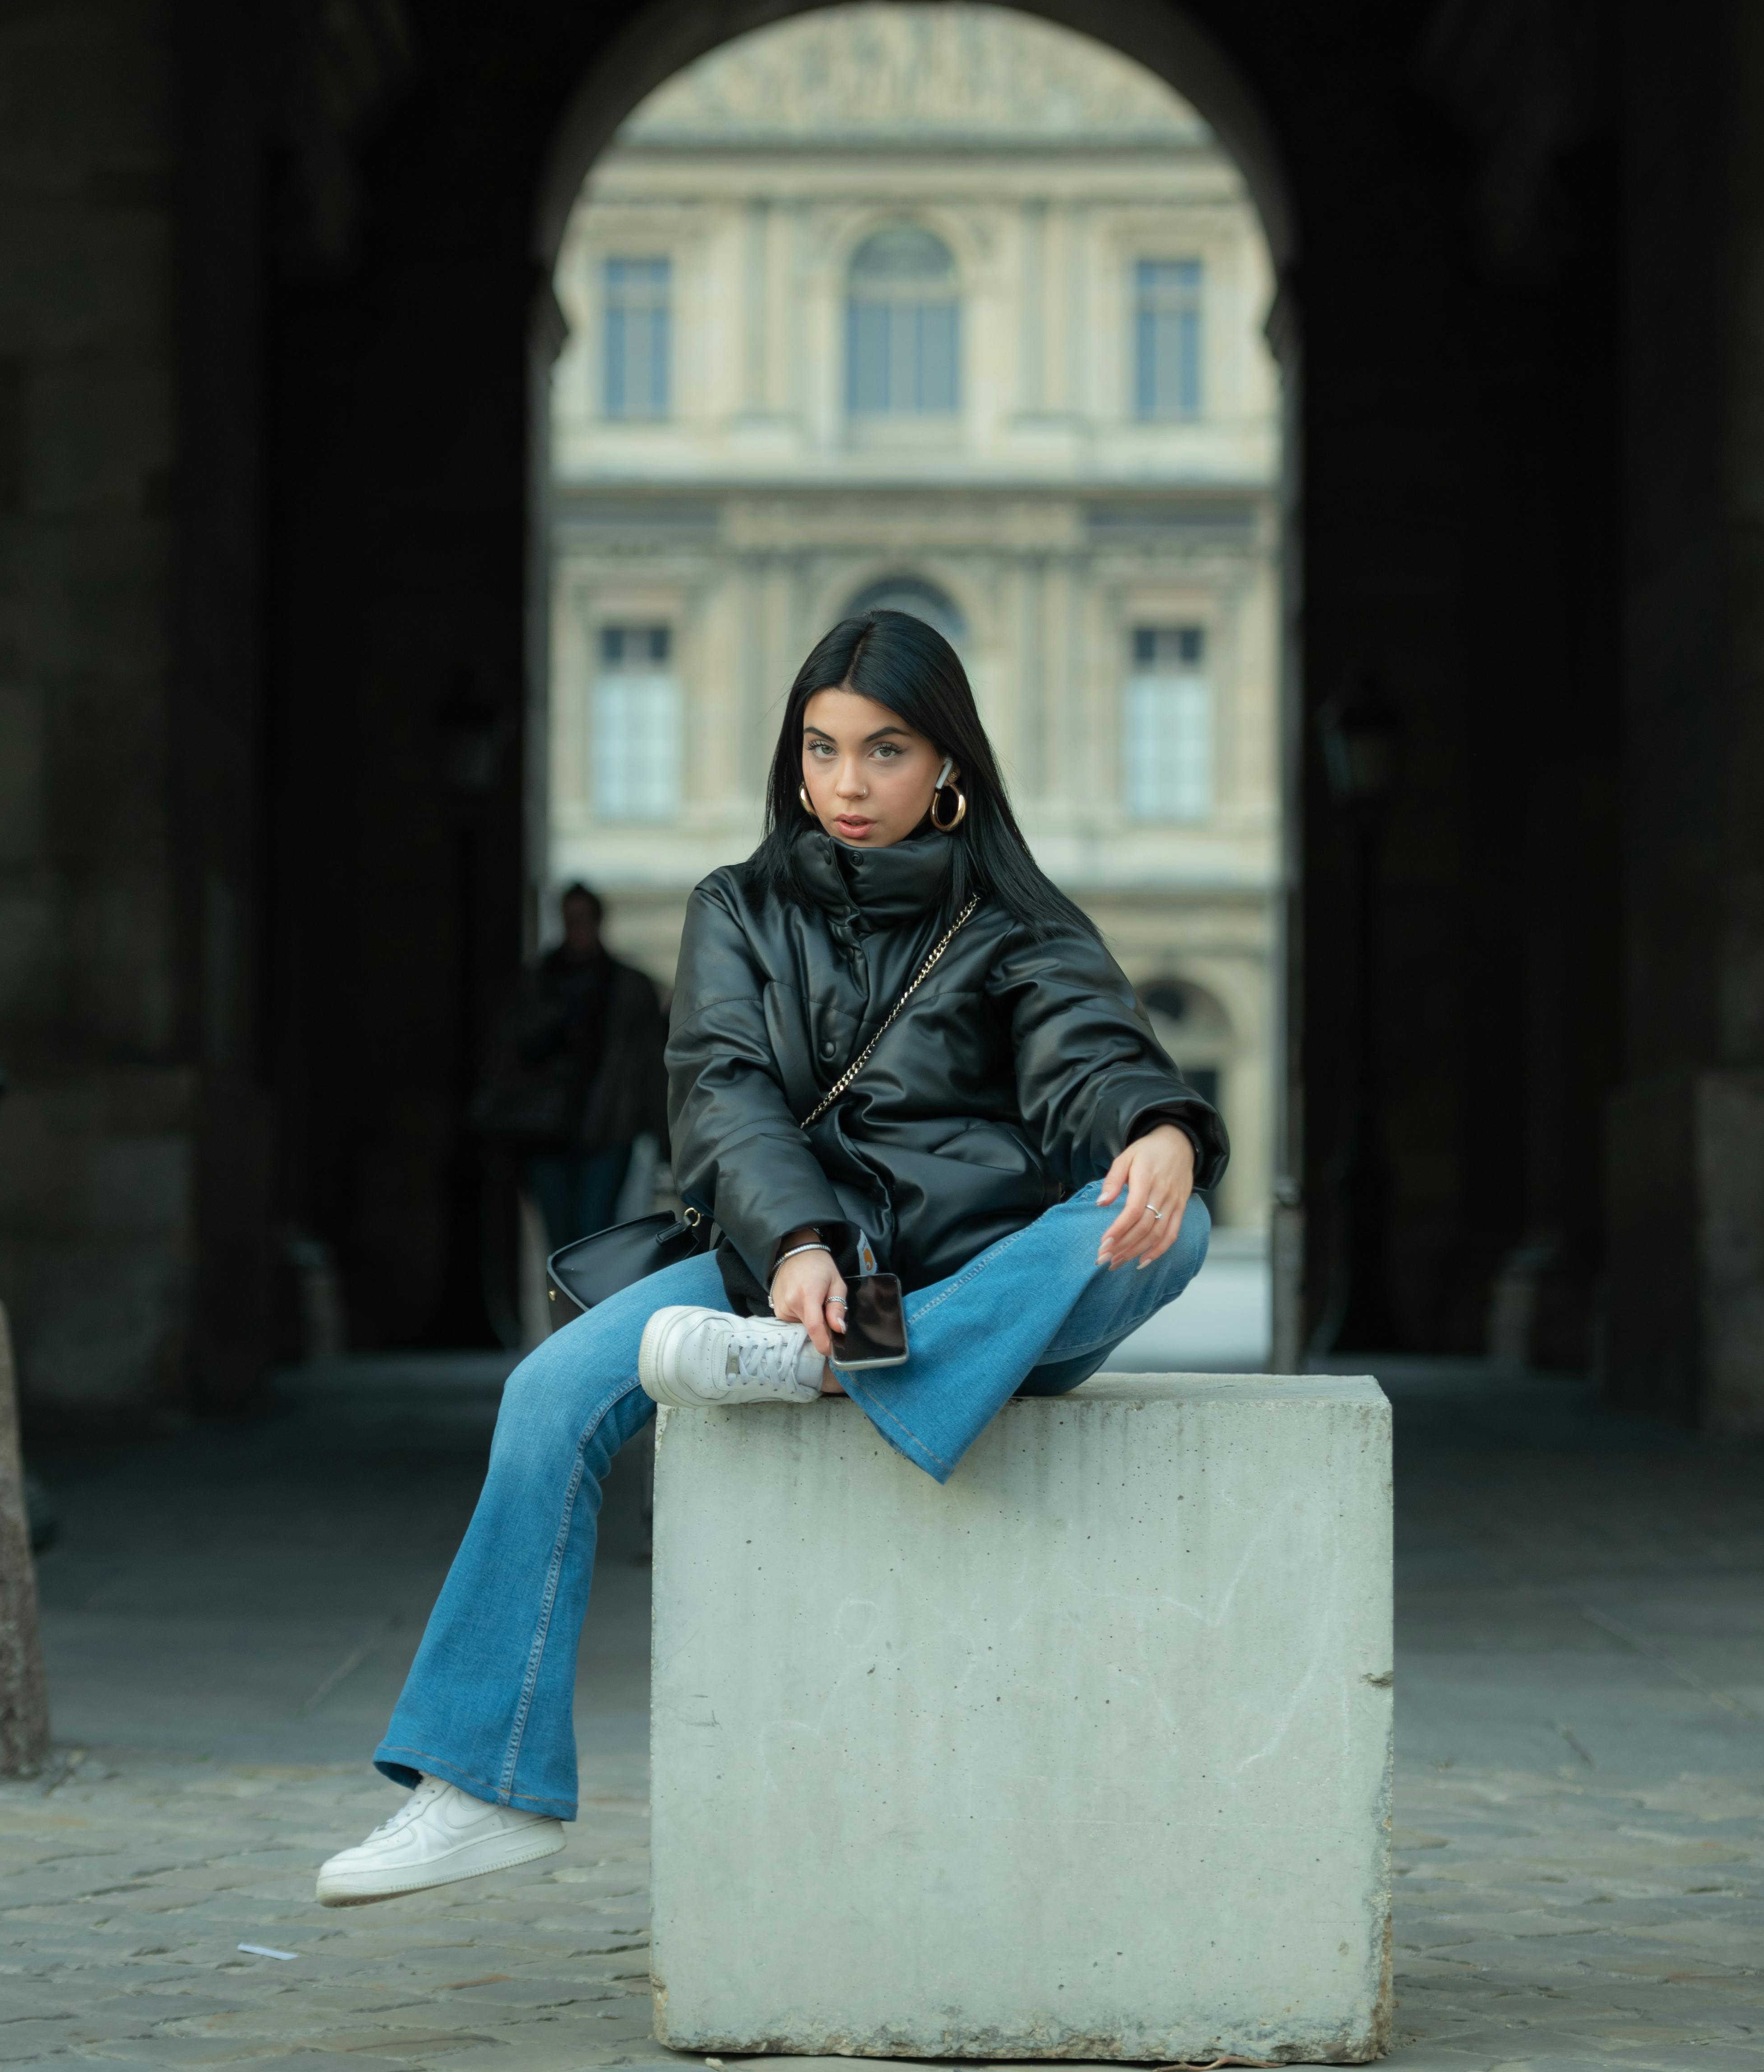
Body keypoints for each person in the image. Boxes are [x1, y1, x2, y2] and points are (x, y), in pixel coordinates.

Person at [315, 609, 1228, 1905]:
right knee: (546, 1393)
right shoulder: (735, 909)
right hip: (777, 1268)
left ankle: (834, 1370)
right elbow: (722, 1093)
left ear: (948, 762)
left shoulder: (1017, 923)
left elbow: (1088, 1055)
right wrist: (802, 1239)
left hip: (977, 1288)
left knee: (1170, 1225)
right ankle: (480, 1784)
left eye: (886, 749)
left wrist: (1158, 1127)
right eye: (821, 746)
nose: (847, 782)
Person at [477, 883, 669, 1254]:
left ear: (598, 920)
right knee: (560, 1243)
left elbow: (648, 1067)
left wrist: (664, 1137)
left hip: (607, 1132)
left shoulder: (629, 988)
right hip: (546, 1132)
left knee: (595, 1236)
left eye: (582, 917)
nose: (575, 926)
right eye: (569, 918)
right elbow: (506, 1056)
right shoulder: (537, 983)